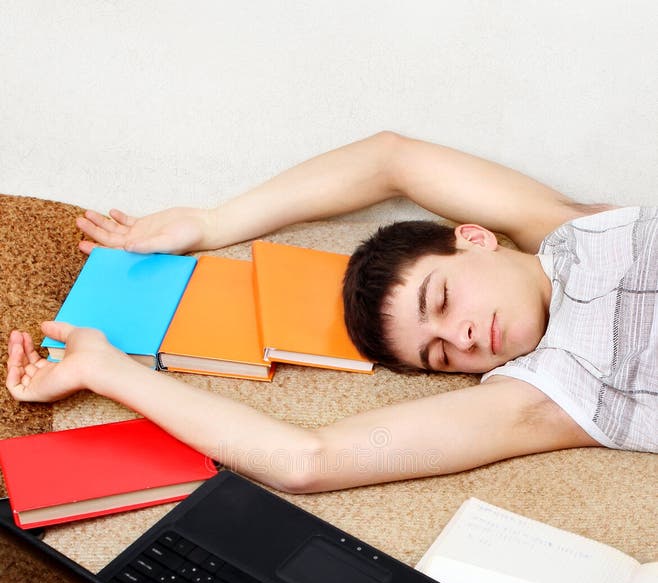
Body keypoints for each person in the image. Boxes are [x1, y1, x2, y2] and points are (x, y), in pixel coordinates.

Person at [6, 133, 657, 492]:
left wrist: (212, 222)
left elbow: (390, 159)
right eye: (439, 356)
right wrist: (108, 369)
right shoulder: (547, 393)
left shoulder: (568, 228)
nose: (462, 338)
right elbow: (306, 460)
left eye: (441, 298)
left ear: (475, 238)